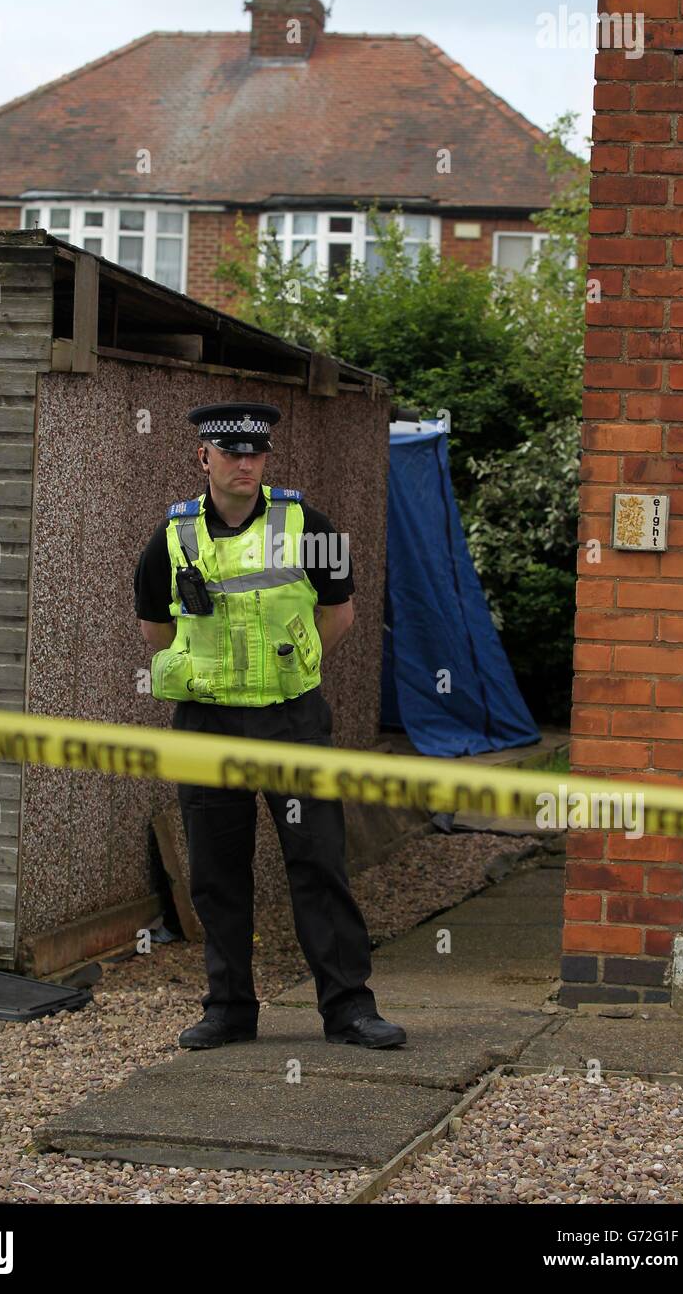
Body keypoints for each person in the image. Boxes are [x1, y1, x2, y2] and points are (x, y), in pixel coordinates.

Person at [134, 401, 406, 1051]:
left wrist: (293, 669)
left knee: (318, 863)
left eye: (256, 453)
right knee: (216, 872)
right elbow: (155, 630)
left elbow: (339, 614)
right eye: (230, 452)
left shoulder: (305, 524)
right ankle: (229, 1009)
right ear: (204, 458)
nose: (245, 463)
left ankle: (349, 1008)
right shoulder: (170, 538)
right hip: (206, 724)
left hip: (292, 720)